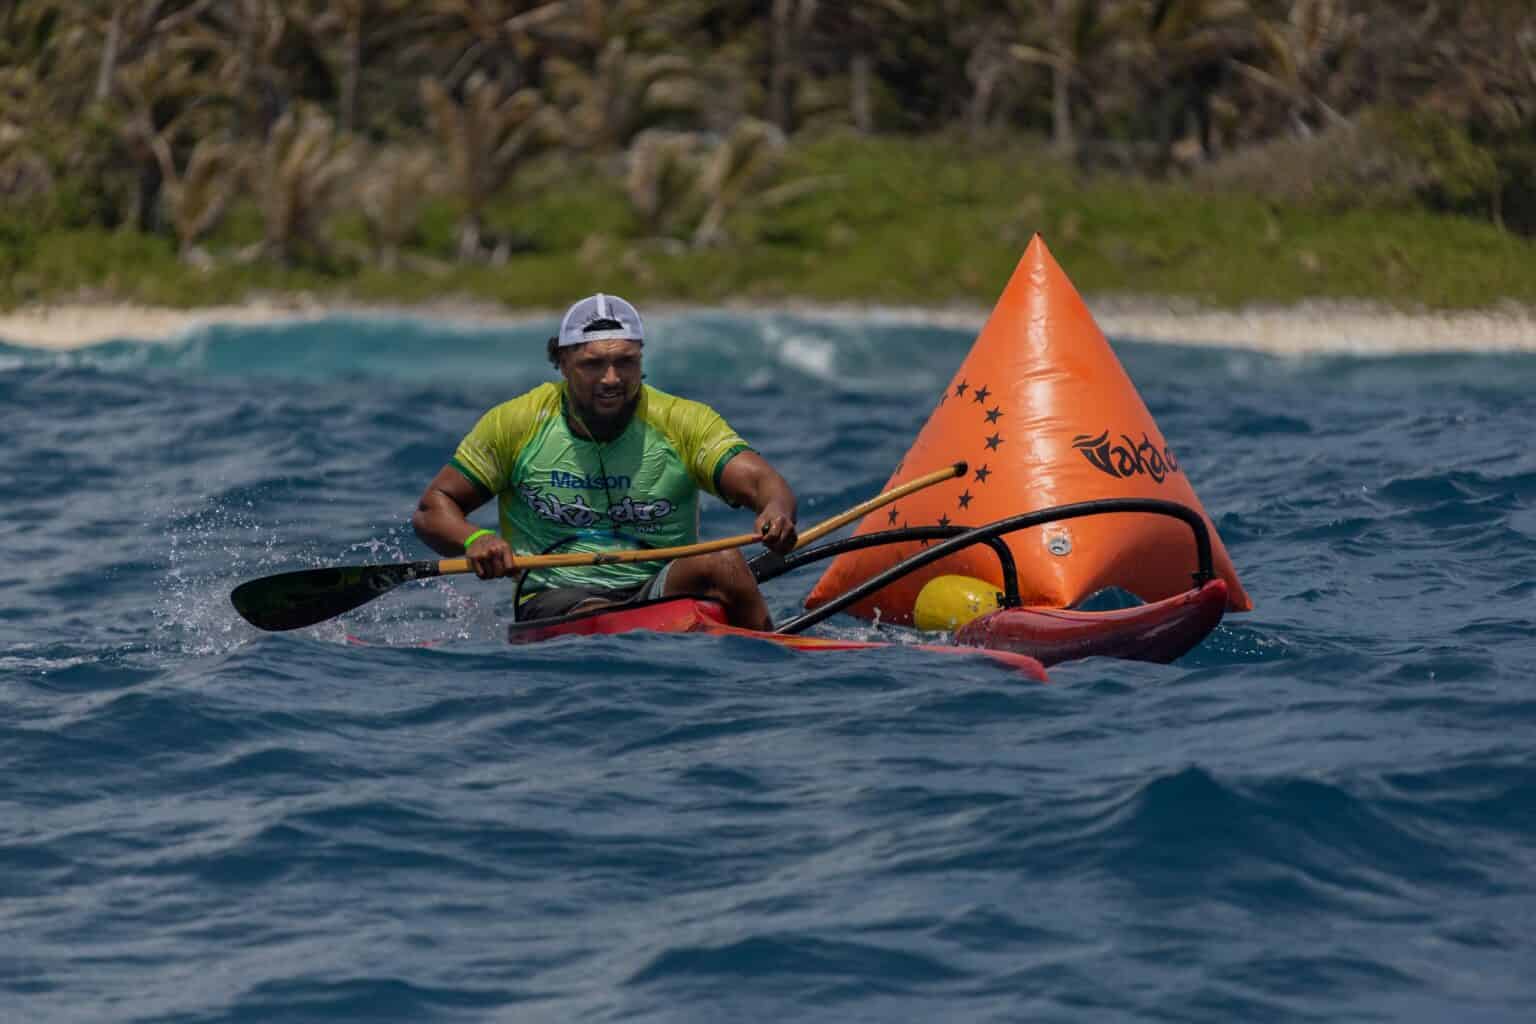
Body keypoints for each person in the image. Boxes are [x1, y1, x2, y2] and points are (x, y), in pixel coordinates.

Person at [412, 293, 798, 631]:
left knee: (725, 561)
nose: (611, 378)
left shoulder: (683, 421)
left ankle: (772, 655)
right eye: (593, 365)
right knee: (602, 617)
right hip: (555, 597)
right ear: (562, 363)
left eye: (625, 362)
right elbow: (433, 508)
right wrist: (477, 540)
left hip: (660, 586)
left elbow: (764, 483)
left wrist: (776, 513)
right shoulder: (517, 423)